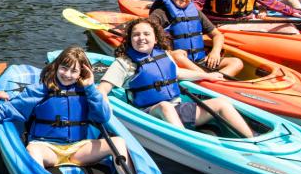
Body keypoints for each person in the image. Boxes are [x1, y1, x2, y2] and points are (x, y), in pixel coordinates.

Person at [97, 18, 256, 138]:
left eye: (146, 34)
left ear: (155, 38)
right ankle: (188, 141)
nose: (141, 38)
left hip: (177, 109)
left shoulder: (164, 54)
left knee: (221, 103)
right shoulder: (124, 63)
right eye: (136, 35)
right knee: (165, 106)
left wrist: (207, 75)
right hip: (148, 114)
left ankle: (251, 139)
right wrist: (103, 111)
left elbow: (178, 73)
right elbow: (102, 90)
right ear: (130, 39)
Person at [0, 46, 128, 173]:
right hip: (47, 148)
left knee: (118, 142)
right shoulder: (40, 90)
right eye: (64, 68)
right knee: (33, 150)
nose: (67, 74)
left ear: (82, 73)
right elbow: (9, 109)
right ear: (56, 66)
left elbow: (102, 117)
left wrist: (90, 87)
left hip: (77, 150)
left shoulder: (88, 92)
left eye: (74, 71)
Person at [149, 0, 243, 77]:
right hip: (178, 62)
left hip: (200, 60)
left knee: (237, 63)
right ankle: (210, 78)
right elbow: (148, 34)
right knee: (178, 56)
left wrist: (215, 52)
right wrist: (169, 53)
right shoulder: (160, 13)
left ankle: (213, 80)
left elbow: (217, 35)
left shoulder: (195, 13)